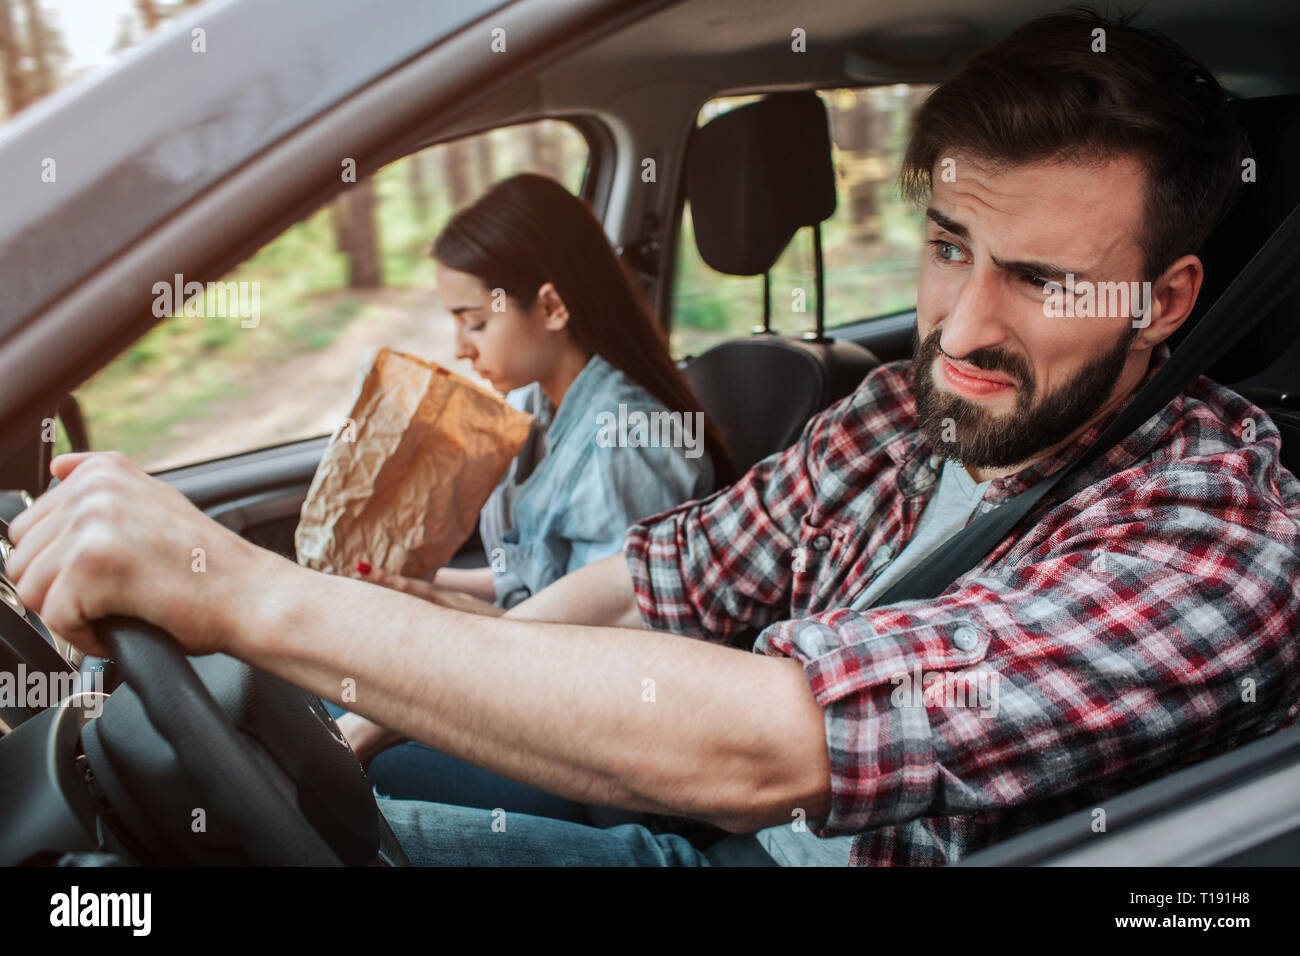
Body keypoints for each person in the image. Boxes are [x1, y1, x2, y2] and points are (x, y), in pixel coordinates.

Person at [11, 9, 1300, 866]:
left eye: (1034, 276)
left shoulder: (1215, 536)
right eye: (949, 247)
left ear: (1162, 301)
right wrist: (364, 708)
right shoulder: (900, 414)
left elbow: (775, 736)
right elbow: (655, 571)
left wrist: (243, 593)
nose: (960, 323)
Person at [334, 173, 729, 820]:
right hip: (526, 684)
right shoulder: (533, 405)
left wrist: (429, 648)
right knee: (321, 689)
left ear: (550, 307)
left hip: (592, 742)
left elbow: (604, 652)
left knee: (335, 770)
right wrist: (434, 591)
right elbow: (538, 583)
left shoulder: (625, 442)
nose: (461, 349)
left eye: (476, 323)